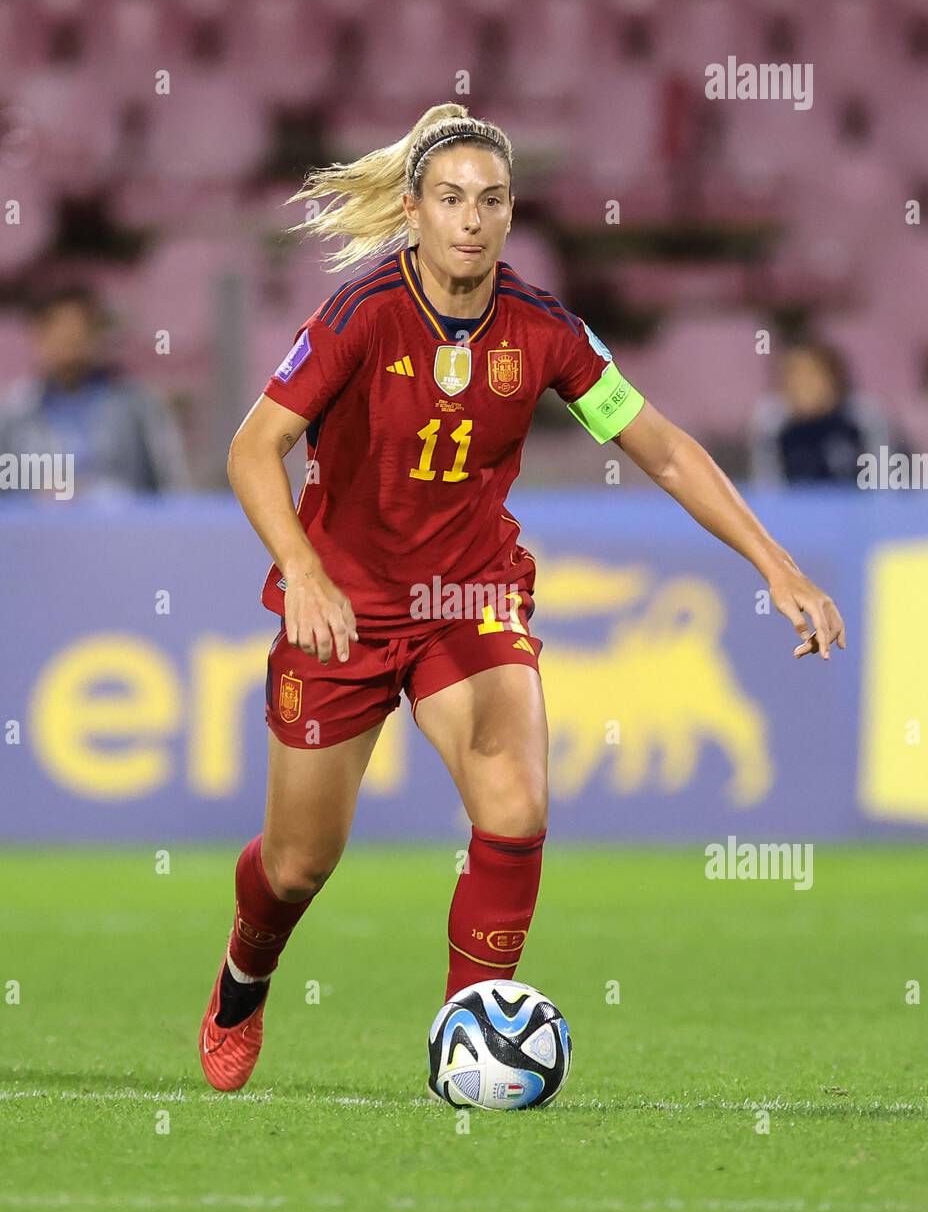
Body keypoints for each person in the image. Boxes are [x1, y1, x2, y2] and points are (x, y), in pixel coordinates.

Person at [199, 103, 846, 1093]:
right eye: (450, 199)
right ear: (413, 209)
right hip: (344, 606)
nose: (470, 219)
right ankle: (244, 978)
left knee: (514, 802)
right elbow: (253, 448)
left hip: (470, 597)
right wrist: (307, 569)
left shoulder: (543, 332)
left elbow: (661, 447)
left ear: (511, 214)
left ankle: (475, 1043)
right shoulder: (360, 314)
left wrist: (775, 561)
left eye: (490, 201)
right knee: (296, 864)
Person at [0, 283, 190, 499]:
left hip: (120, 529)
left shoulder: (139, 407)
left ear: (96, 336)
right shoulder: (12, 415)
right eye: (59, 334)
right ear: (39, 337)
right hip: (34, 530)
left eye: (78, 335)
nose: (69, 347)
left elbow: (172, 489)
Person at [749, 340, 894, 485]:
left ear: (834, 378)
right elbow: (768, 491)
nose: (803, 385)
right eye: (793, 378)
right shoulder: (771, 425)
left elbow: (884, 488)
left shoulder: (864, 418)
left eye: (812, 375)